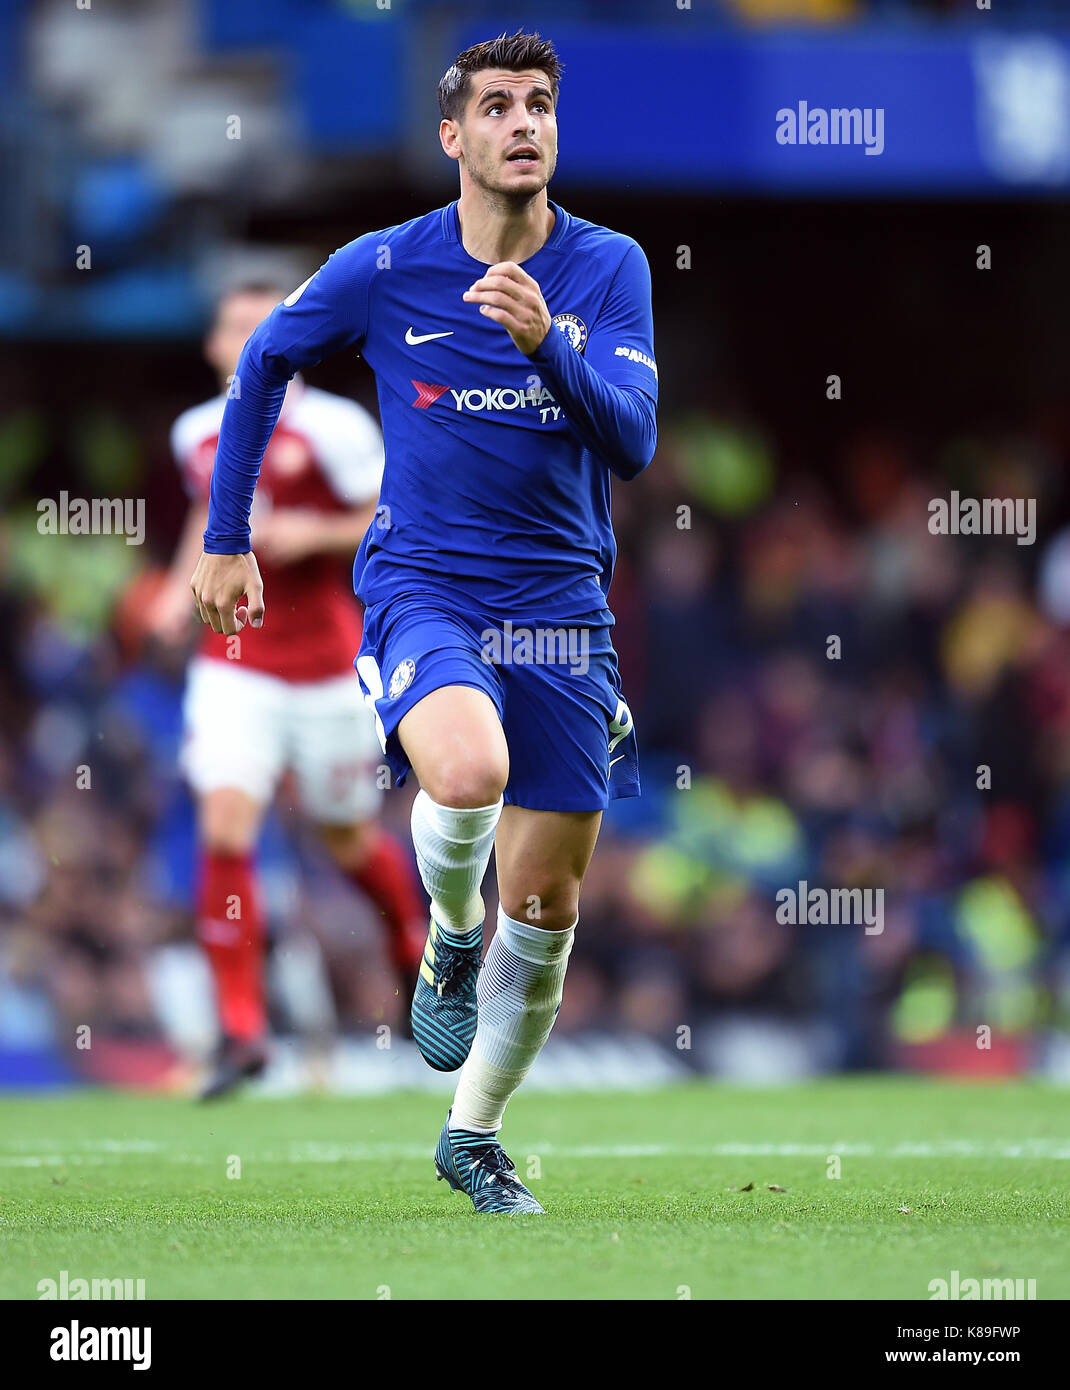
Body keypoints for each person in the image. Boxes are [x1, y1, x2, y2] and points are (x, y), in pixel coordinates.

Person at [189, 30, 658, 1207]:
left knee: (546, 904)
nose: (522, 123)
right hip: (428, 587)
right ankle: (450, 930)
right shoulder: (386, 265)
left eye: (539, 105)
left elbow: (633, 442)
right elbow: (260, 365)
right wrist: (226, 536)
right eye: (496, 106)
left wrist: (546, 344)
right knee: (464, 771)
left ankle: (471, 1133)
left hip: (562, 612)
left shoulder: (606, 269)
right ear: (453, 136)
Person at [157, 284, 426, 1099]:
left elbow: (398, 510)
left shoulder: (337, 430)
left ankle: (410, 945)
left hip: (327, 672)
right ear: (211, 345)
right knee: (226, 823)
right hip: (235, 665)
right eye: (234, 327)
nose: (246, 340)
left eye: (261, 327)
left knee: (345, 838)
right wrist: (177, 591)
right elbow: (208, 517)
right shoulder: (195, 434)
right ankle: (240, 1031)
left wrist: (317, 533)